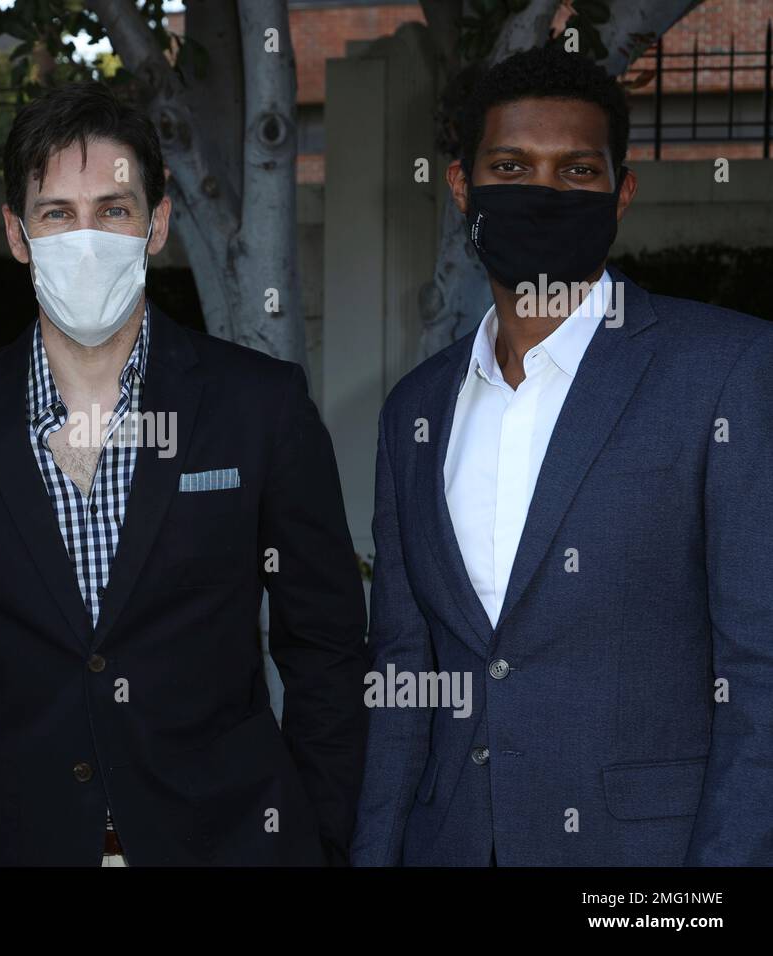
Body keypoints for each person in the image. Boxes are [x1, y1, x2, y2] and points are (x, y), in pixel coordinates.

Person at [0, 82, 369, 866]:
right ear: (17, 233)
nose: (87, 236)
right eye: (57, 213)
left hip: (231, 841)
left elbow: (327, 646)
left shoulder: (258, 406)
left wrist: (321, 835)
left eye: (113, 209)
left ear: (158, 224)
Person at [352, 45, 773, 866]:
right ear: (462, 187)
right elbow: (405, 674)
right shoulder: (415, 410)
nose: (542, 192)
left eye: (575, 171)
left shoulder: (726, 372)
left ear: (621, 194)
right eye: (510, 165)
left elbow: (760, 674)